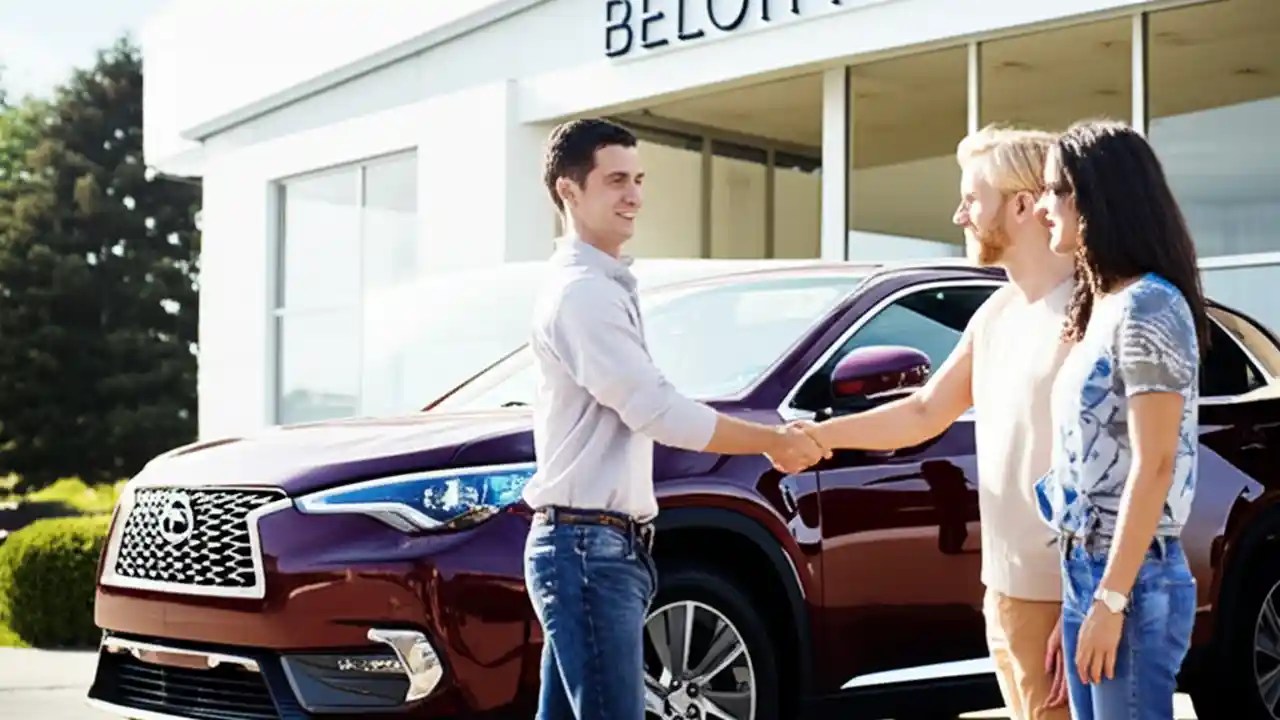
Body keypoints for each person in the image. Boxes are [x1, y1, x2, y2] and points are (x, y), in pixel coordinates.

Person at [522, 118, 830, 720]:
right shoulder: (582, 293)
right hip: (587, 549)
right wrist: (771, 442)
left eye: (638, 179)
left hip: (597, 546)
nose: (634, 195)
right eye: (616, 180)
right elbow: (657, 409)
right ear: (568, 190)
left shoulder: (601, 285)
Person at [794, 125, 1075, 720]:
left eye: (972, 198)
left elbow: (1127, 471)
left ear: (1023, 205)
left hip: (1063, 599)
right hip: (1005, 593)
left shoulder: (1088, 315)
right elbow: (923, 412)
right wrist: (818, 437)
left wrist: (1088, 608)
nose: (959, 215)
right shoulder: (997, 314)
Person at [1032, 119, 1207, 720]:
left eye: (1055, 190)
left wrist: (1109, 599)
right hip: (1094, 574)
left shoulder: (1150, 306)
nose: (1042, 207)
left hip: (1134, 585)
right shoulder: (1105, 303)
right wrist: (1077, 605)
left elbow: (1154, 464)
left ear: (1094, 198)